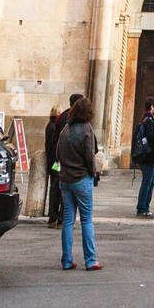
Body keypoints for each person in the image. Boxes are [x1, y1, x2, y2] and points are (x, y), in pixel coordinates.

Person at [54, 95, 101, 271]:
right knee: (86, 219)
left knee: (67, 220)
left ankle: (67, 260)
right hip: (81, 179)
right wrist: (93, 172)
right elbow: (90, 156)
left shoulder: (65, 129)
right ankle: (90, 260)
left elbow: (58, 153)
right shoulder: (87, 129)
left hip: (65, 179)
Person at [46, 92, 82, 228]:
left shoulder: (62, 116)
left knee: (55, 185)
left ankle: (52, 217)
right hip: (68, 161)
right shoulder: (75, 117)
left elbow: (56, 139)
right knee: (65, 188)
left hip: (57, 160)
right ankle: (62, 218)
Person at [133, 97, 154, 217]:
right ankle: (142, 208)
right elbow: (149, 137)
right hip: (147, 157)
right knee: (147, 182)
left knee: (151, 181)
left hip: (147, 157)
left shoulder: (146, 119)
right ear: (151, 107)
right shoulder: (149, 120)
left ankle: (145, 206)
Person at [43, 105, 62, 227]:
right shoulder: (54, 126)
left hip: (52, 161)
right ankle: (53, 215)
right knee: (56, 186)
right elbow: (54, 146)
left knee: (54, 186)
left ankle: (52, 215)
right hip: (56, 162)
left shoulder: (50, 125)